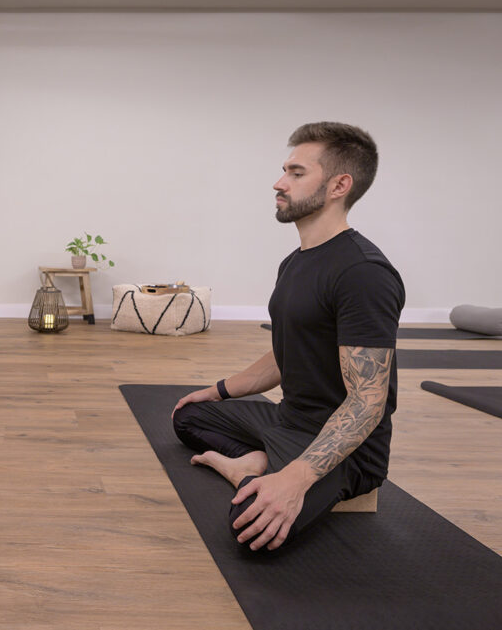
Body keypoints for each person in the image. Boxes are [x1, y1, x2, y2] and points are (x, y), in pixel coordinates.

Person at [172, 122, 405, 552]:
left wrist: (298, 478)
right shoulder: (294, 263)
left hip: (345, 449)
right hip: (288, 421)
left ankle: (246, 471)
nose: (279, 183)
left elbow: (368, 401)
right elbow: (288, 352)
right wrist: (218, 391)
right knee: (187, 416)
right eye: (285, 171)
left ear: (339, 185)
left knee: (249, 529)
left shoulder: (363, 274)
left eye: (297, 173)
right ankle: (259, 463)